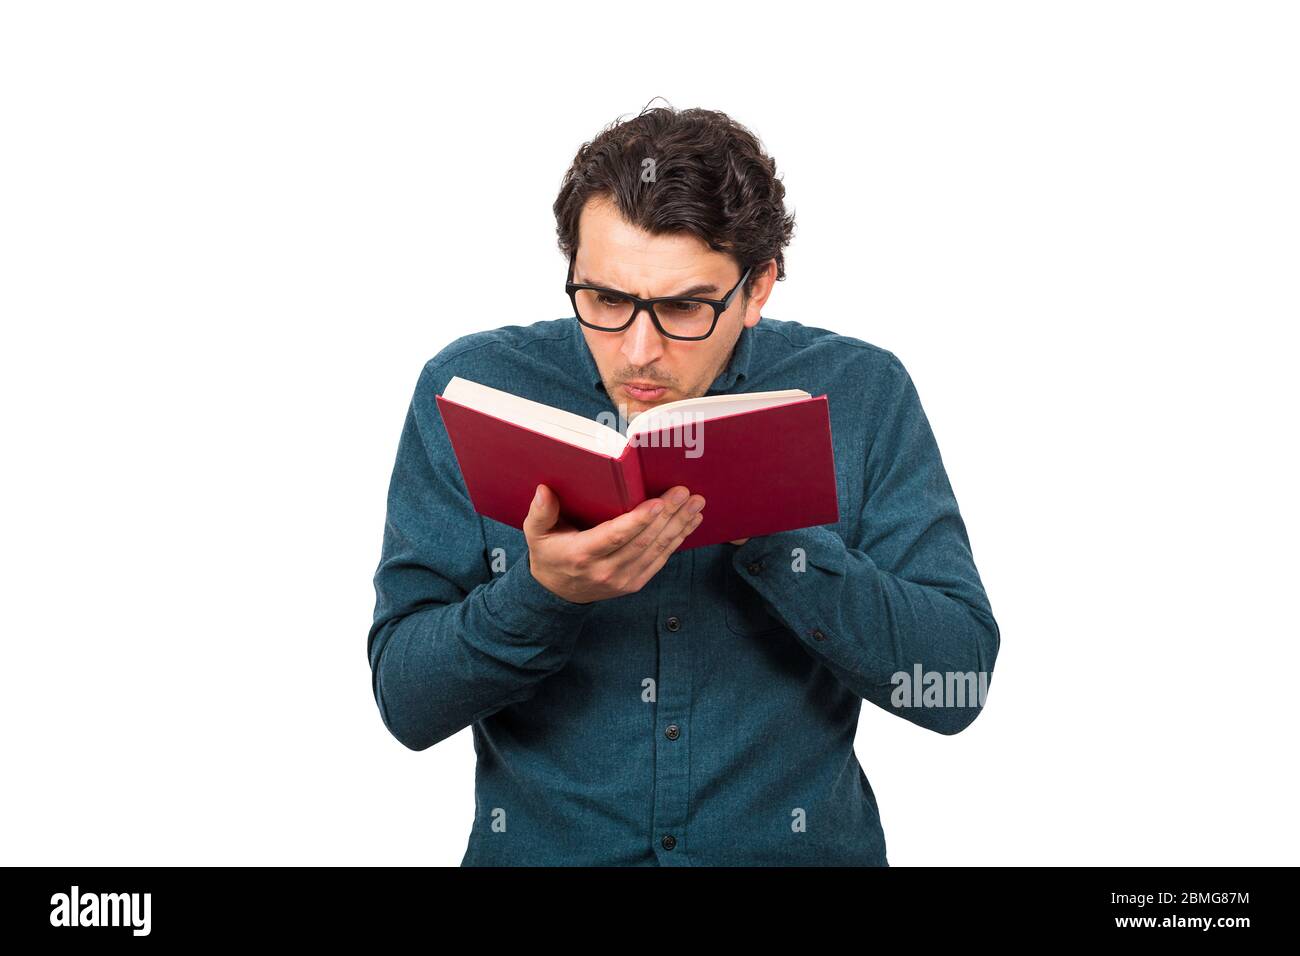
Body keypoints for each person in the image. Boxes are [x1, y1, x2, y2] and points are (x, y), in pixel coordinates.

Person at [366, 103, 1000, 866]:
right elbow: (406, 704)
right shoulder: (473, 390)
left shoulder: (861, 393)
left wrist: (774, 531)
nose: (638, 350)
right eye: (604, 300)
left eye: (683, 308)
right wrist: (540, 594)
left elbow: (956, 683)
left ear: (759, 286)